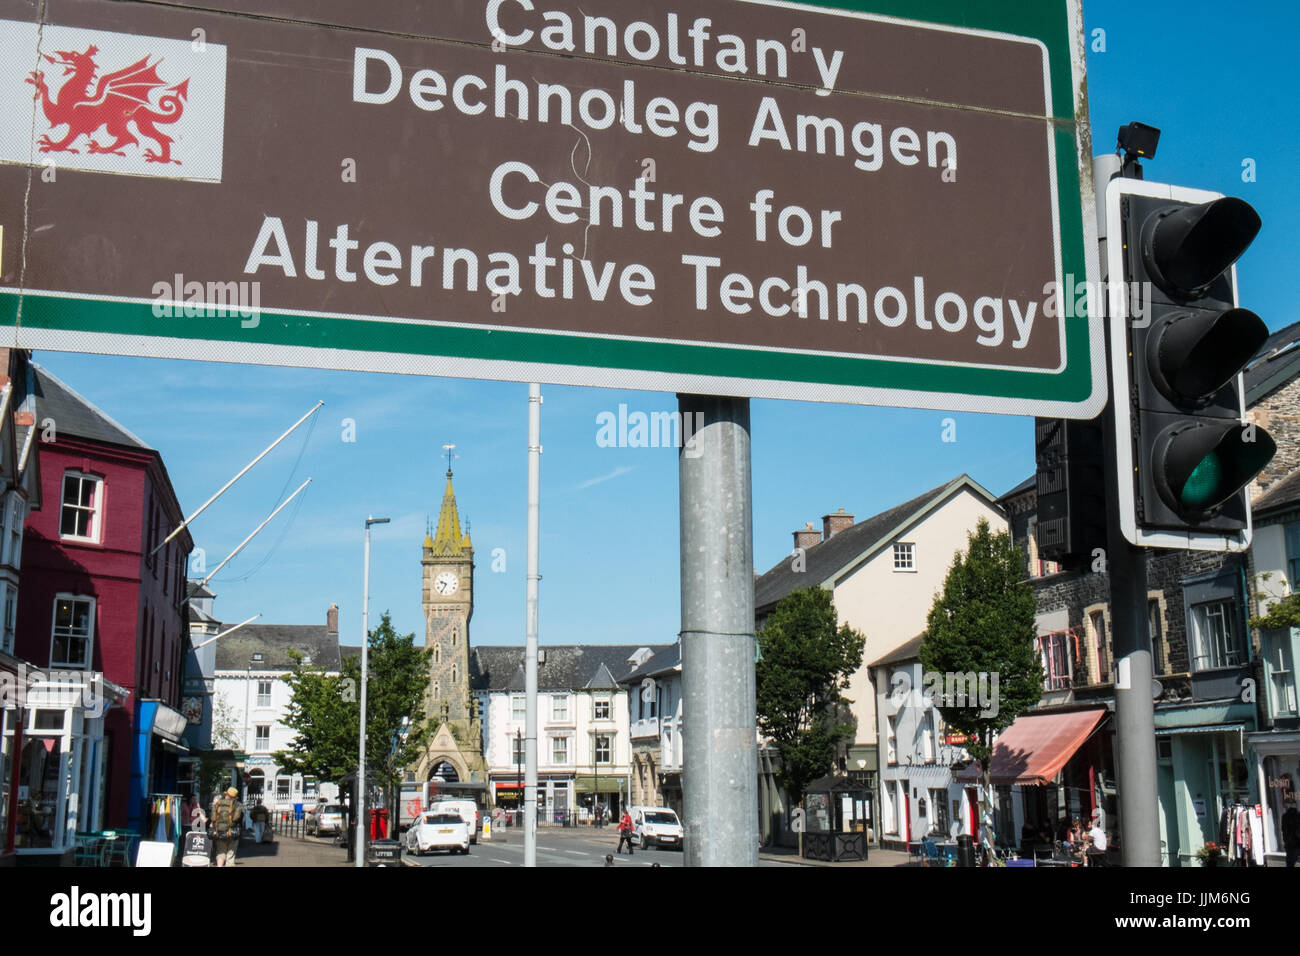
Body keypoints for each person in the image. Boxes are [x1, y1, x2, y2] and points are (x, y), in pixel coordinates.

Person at [210, 787, 243, 867]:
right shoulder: (238, 805)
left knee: (220, 851)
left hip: (219, 831)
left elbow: (213, 818)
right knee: (230, 853)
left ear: (227, 795)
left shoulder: (218, 803)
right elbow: (238, 819)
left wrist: (214, 825)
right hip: (232, 831)